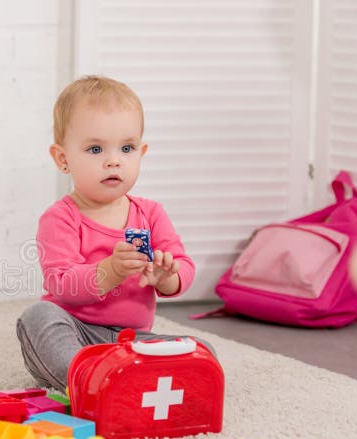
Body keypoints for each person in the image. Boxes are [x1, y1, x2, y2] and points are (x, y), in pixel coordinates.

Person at [17, 75, 213, 390]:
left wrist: (167, 277)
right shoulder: (61, 218)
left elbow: (183, 266)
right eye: (95, 149)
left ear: (141, 152)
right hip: (78, 333)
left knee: (202, 352)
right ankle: (88, 381)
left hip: (133, 340)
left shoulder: (150, 213)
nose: (113, 161)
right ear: (63, 158)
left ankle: (120, 379)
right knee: (37, 318)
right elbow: (62, 284)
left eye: (126, 148)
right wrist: (110, 270)